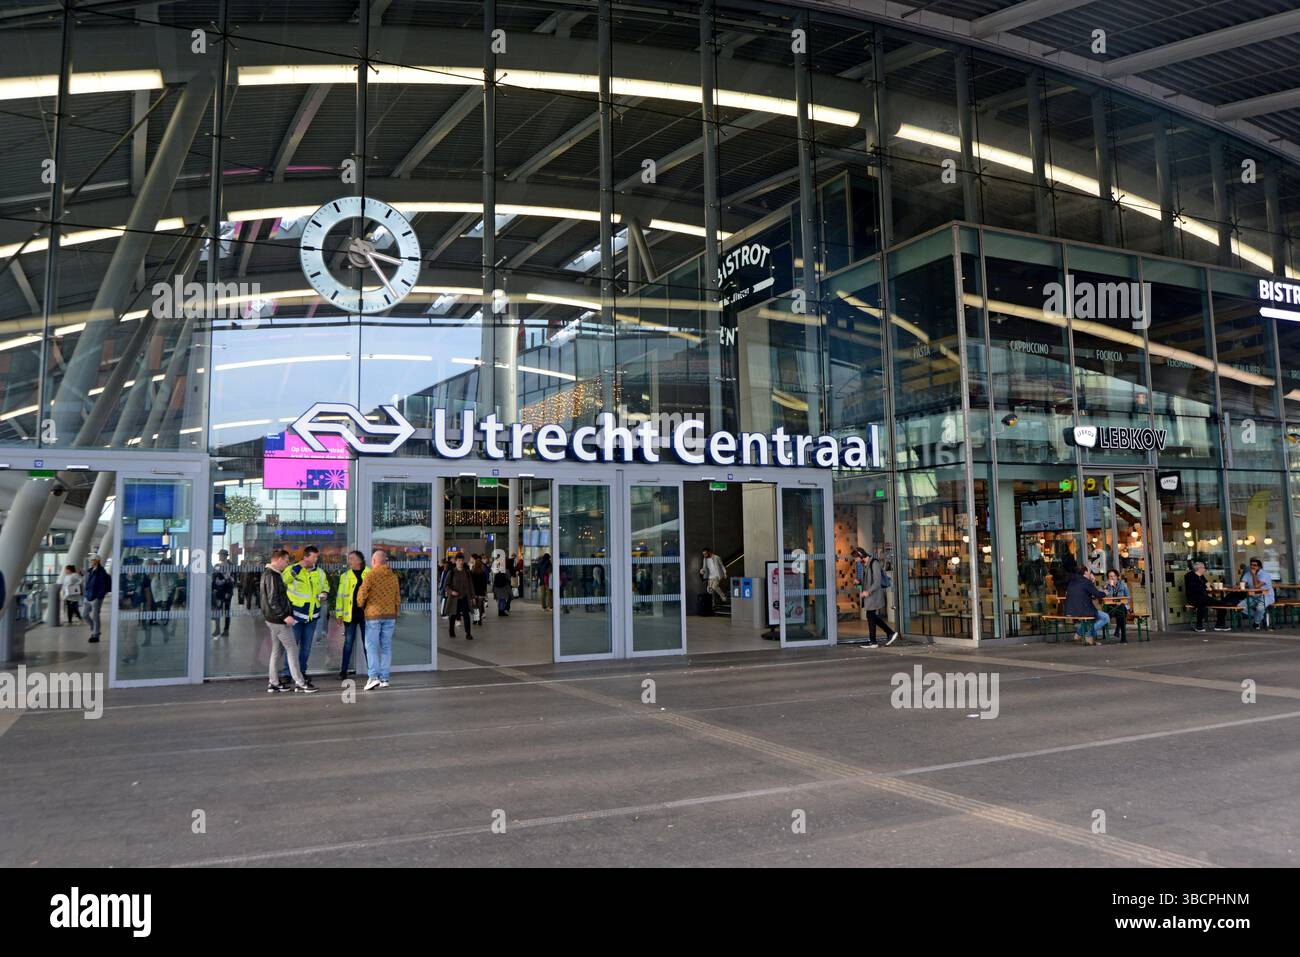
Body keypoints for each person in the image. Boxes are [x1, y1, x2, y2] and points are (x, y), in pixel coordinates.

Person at [260, 549, 317, 694]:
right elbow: (273, 600)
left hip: (273, 619)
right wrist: (285, 616)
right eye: (285, 561)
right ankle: (300, 682)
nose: (286, 564)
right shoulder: (272, 575)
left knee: (277, 651)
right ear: (278, 559)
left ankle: (273, 683)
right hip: (278, 620)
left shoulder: (271, 574)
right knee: (292, 649)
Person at [280, 545, 329, 682]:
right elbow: (284, 580)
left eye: (317, 557)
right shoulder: (293, 569)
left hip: (312, 616)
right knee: (292, 647)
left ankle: (301, 672)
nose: (316, 559)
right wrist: (299, 566)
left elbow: (325, 585)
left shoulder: (319, 572)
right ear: (306, 557)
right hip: (295, 615)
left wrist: (325, 593)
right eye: (314, 557)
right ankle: (287, 674)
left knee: (306, 648)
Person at [357, 548, 400, 689]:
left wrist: (361, 604)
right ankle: (385, 679)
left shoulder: (370, 575)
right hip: (390, 616)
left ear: (374, 561)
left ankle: (373, 677)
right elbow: (397, 597)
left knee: (371, 646)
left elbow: (361, 595)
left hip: (373, 616)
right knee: (386, 647)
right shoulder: (393, 577)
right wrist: (395, 612)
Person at [855, 547, 899, 647]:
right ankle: (885, 635)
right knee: (871, 616)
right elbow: (868, 580)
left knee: (870, 616)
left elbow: (877, 581)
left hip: (874, 595)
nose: (855, 560)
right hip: (870, 595)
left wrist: (868, 592)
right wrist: (859, 582)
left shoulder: (874, 563)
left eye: (856, 558)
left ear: (861, 555)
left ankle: (875, 640)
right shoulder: (865, 564)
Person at [335, 550, 367, 679]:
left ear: (359, 560)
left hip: (366, 616)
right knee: (348, 643)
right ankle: (343, 671)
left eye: (352, 559)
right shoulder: (345, 576)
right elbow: (340, 596)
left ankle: (373, 672)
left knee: (368, 644)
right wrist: (339, 614)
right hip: (350, 615)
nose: (349, 561)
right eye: (349, 559)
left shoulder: (369, 573)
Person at [1064, 567, 1108, 645]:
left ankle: (1078, 634)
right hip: (1083, 610)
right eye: (1089, 572)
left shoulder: (1072, 582)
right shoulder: (1086, 582)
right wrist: (1105, 593)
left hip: (1071, 610)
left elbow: (1086, 592)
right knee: (1105, 617)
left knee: (1092, 618)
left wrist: (1092, 581)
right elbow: (1097, 594)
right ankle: (1089, 635)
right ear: (1085, 572)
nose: (1090, 573)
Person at [1183, 561, 1226, 632]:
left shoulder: (1201, 576)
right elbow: (1193, 588)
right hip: (1193, 598)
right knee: (1202, 605)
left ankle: (1219, 625)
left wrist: (1210, 587)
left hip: (1204, 597)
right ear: (1199, 568)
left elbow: (1208, 584)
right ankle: (1199, 626)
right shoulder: (1189, 576)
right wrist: (1205, 586)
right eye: (1204, 568)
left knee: (1222, 605)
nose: (1205, 569)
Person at [441, 553, 475, 641]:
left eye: (462, 560)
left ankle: (468, 633)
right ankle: (451, 630)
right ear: (455, 561)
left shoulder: (467, 573)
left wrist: (472, 597)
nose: (460, 562)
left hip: (464, 597)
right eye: (459, 561)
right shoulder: (451, 572)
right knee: (453, 615)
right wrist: (451, 592)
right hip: (454, 598)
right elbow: (446, 585)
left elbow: (470, 585)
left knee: (466, 615)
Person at [1241, 557, 1275, 630]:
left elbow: (1257, 586)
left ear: (1259, 566)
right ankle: (1261, 616)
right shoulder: (1247, 573)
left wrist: (1253, 575)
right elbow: (1242, 583)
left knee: (1260, 608)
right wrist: (1237, 586)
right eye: (1251, 565)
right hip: (1253, 596)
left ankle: (1256, 623)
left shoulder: (1265, 574)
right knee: (1240, 607)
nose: (1252, 567)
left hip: (1266, 596)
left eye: (1255, 565)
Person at [83, 556, 111, 644]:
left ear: (98, 561)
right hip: (88, 596)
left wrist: (99, 596)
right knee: (84, 615)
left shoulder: (101, 572)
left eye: (93, 560)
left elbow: (102, 585)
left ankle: (96, 635)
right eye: (91, 560)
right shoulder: (90, 571)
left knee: (95, 616)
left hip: (96, 597)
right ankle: (94, 628)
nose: (91, 561)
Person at [211, 549, 235, 639]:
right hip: (219, 592)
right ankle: (217, 629)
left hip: (227, 591)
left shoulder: (230, 566)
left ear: (225, 556)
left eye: (221, 555)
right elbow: (214, 578)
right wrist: (213, 589)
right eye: (219, 554)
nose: (219, 556)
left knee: (226, 611)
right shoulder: (217, 566)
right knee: (217, 610)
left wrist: (229, 592)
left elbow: (232, 580)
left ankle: (226, 630)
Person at [1103, 569, 1130, 643]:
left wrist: (1127, 607)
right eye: (1110, 576)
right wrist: (1106, 588)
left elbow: (1128, 598)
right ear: (1108, 578)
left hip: (1121, 606)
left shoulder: (1123, 585)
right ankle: (1122, 636)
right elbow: (1103, 598)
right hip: (1110, 607)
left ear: (1117, 577)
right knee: (1121, 613)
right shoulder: (1106, 585)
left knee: (1121, 609)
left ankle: (1121, 633)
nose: (1112, 578)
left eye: (1114, 576)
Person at [492, 553, 512, 617]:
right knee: (503, 599)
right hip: (503, 587)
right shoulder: (506, 570)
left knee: (500, 599)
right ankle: (501, 611)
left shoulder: (496, 570)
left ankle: (500, 611)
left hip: (497, 587)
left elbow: (494, 579)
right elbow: (508, 579)